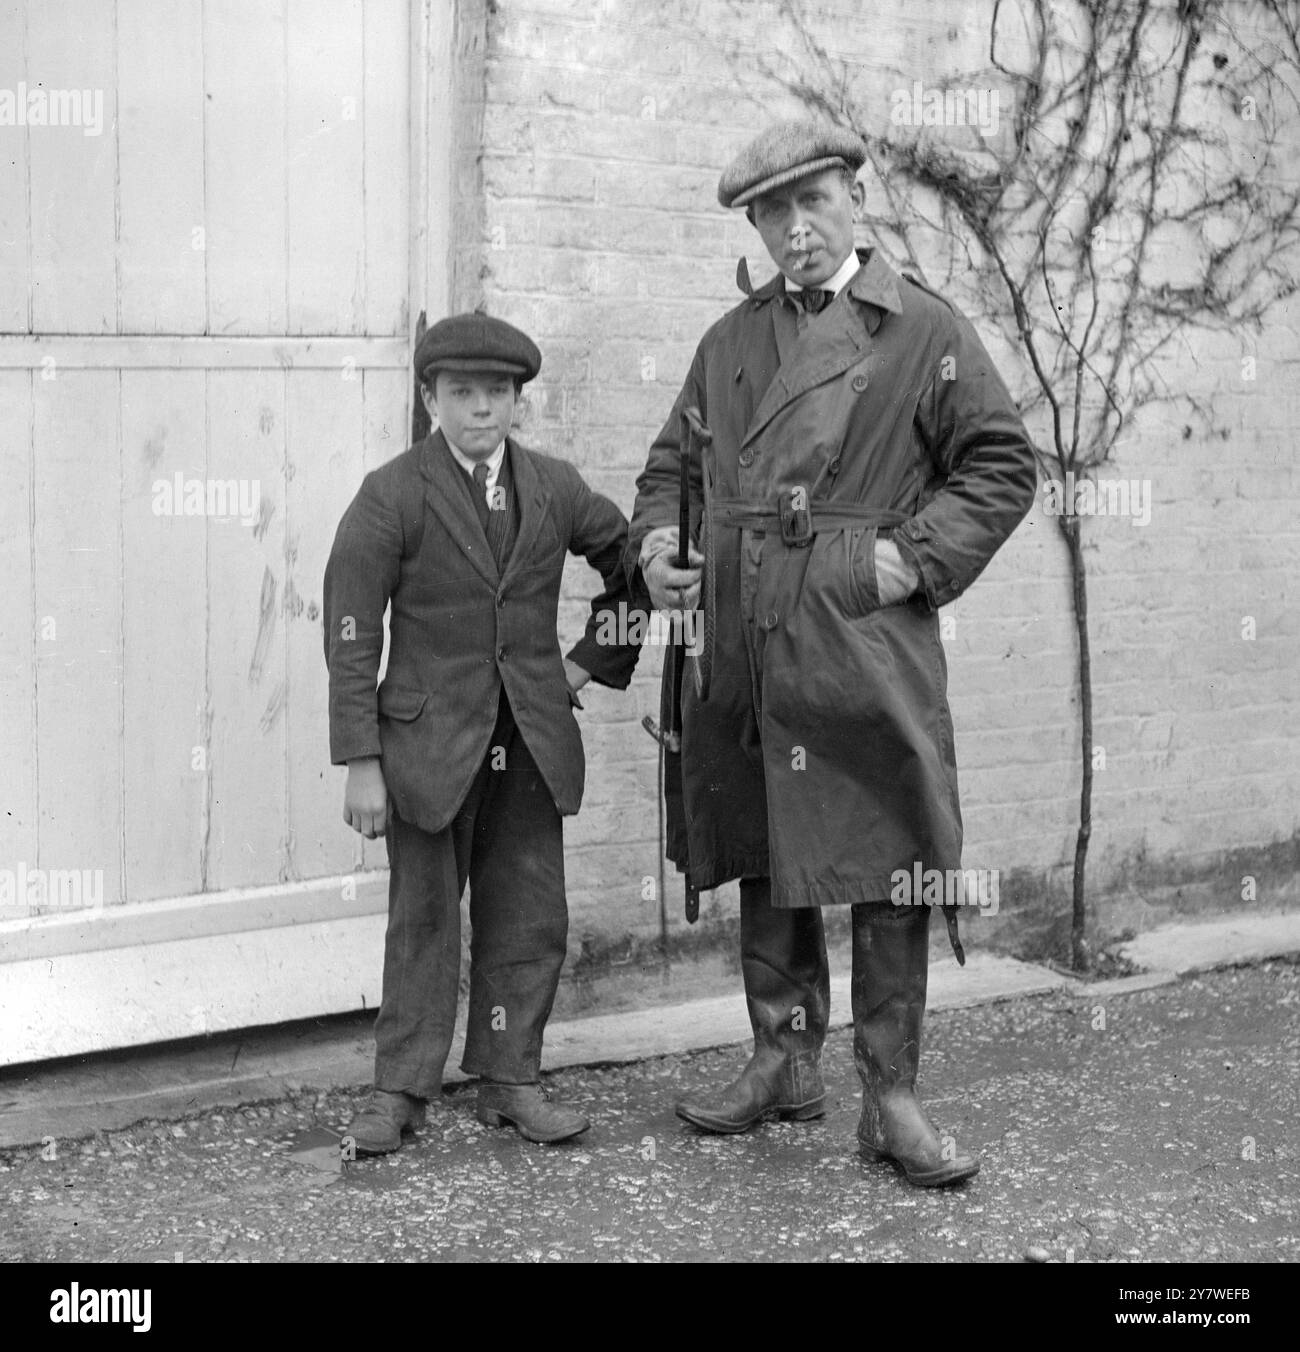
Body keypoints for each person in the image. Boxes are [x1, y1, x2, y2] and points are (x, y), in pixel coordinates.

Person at [627, 119, 1037, 1187]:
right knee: (769, 844)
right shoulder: (730, 341)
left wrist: (907, 559)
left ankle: (889, 1094)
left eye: (814, 201)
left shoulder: (920, 330)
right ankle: (781, 1057)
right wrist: (662, 548)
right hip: (747, 625)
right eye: (773, 212)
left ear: (857, 195)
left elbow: (999, 462)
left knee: (886, 852)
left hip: (857, 629)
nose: (795, 228)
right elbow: (671, 464)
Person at [323, 312, 642, 1153]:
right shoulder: (392, 493)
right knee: (423, 920)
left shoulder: (554, 487)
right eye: (461, 393)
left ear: (516, 400)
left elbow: (635, 567)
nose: (480, 410)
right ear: (430, 397)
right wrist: (362, 759)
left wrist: (583, 665)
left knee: (530, 916)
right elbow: (352, 627)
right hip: (427, 753)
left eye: (496, 393)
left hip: (530, 745)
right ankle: (400, 1092)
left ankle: (509, 1079)